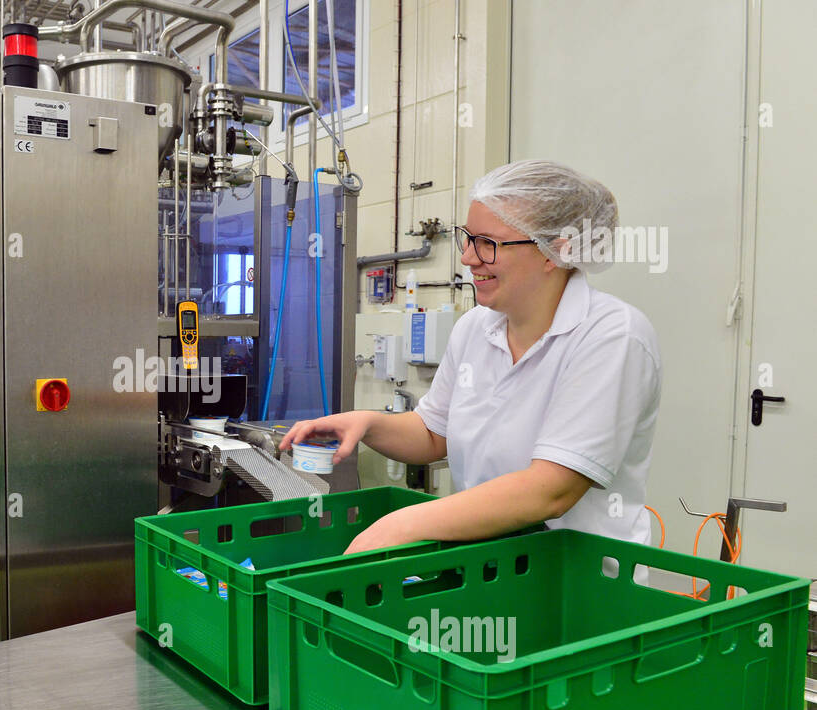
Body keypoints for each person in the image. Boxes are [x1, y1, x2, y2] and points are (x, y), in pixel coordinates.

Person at [281, 160, 661, 555]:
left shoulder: (612, 336)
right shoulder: (477, 327)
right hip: (487, 566)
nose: (467, 258)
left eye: (488, 243)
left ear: (556, 251)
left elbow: (551, 490)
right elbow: (433, 434)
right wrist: (368, 424)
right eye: (467, 237)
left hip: (581, 583)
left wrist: (404, 524)